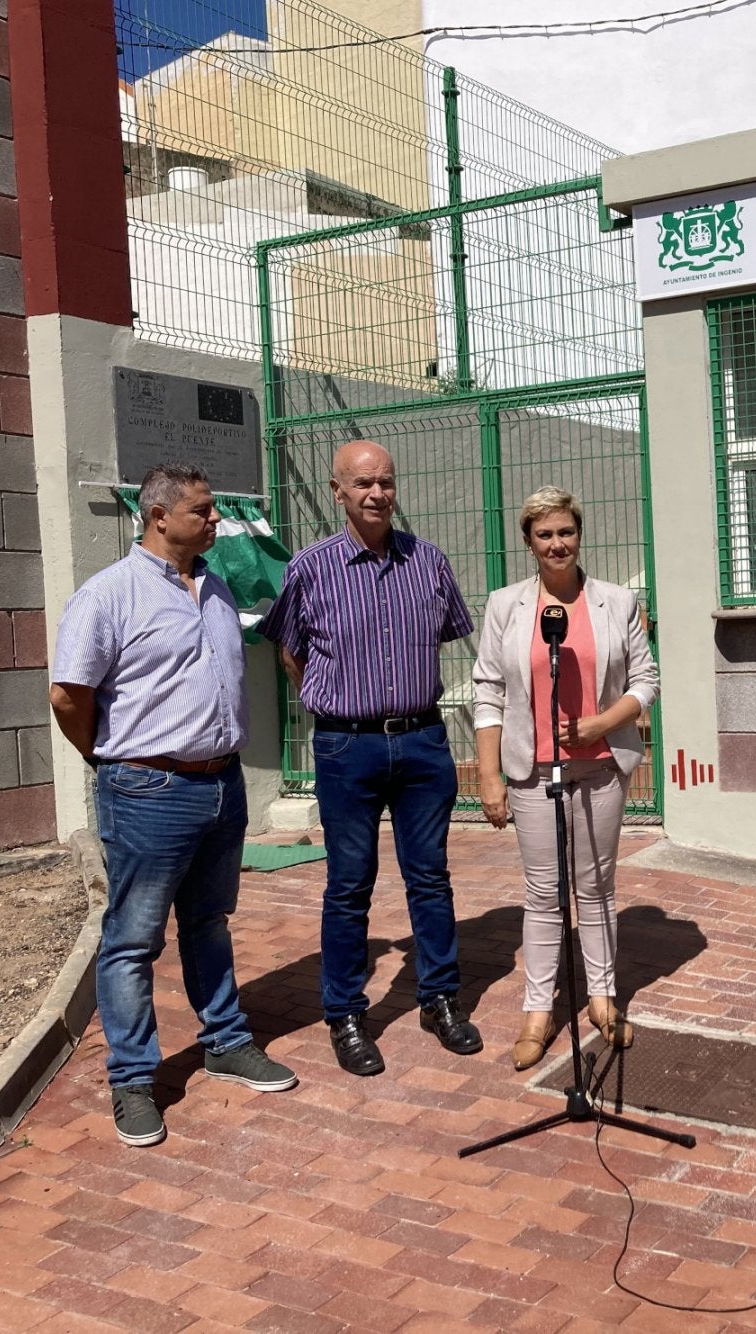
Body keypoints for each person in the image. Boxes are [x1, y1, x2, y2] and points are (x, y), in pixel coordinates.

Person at [49, 463, 296, 1149]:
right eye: (204, 511)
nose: (216, 521)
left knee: (209, 923)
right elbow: (69, 694)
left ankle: (225, 1041)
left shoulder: (214, 588)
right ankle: (132, 1081)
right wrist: (106, 759)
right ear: (159, 516)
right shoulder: (109, 595)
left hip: (222, 785)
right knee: (132, 941)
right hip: (146, 790)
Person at [258, 439, 481, 1076]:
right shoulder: (310, 567)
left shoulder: (428, 563)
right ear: (337, 492)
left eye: (385, 481)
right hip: (344, 746)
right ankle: (347, 1014)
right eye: (362, 484)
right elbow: (291, 653)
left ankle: (440, 998)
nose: (376, 493)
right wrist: (339, 703)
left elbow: (442, 637)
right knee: (349, 885)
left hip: (420, 741)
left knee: (430, 878)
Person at [472, 486, 658, 1070]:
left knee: (597, 885)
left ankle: (602, 998)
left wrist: (602, 722)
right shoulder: (505, 605)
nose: (557, 544)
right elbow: (489, 691)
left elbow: (646, 680)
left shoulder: (617, 602)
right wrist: (488, 775)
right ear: (528, 542)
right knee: (543, 892)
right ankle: (538, 1009)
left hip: (600, 768)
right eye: (544, 534)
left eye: (566, 532)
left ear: (580, 535)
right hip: (532, 772)